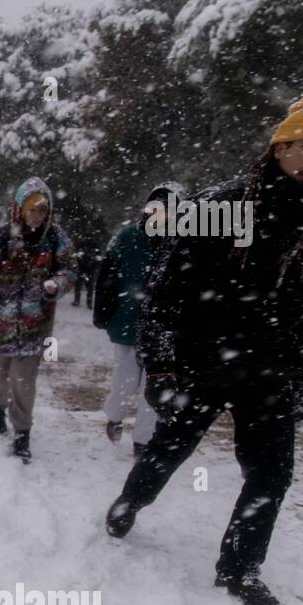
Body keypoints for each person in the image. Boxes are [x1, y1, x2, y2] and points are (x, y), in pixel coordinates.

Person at [104, 94, 303, 605]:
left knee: (272, 474)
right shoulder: (222, 210)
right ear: (280, 146)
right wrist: (163, 368)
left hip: (272, 375)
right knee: (169, 450)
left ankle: (240, 568)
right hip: (203, 366)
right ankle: (131, 501)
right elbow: (164, 294)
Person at [0, 177, 78, 462]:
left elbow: (70, 270)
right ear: (20, 208)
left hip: (34, 326)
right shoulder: (0, 240)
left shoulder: (56, 239)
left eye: (42, 209)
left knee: (24, 383)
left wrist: (58, 283)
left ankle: (22, 435)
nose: (37, 215)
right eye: (32, 208)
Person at [93, 183, 186, 458]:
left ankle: (144, 439)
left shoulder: (181, 242)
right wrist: (102, 312)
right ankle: (115, 416)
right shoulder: (127, 237)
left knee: (153, 385)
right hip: (127, 323)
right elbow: (107, 279)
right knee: (125, 379)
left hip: (163, 329)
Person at [71, 231, 102, 308]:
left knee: (79, 286)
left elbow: (76, 255)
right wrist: (95, 265)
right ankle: (89, 303)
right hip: (90, 269)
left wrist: (78, 262)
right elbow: (98, 258)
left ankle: (77, 301)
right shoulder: (94, 245)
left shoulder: (82, 244)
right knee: (89, 287)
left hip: (82, 268)